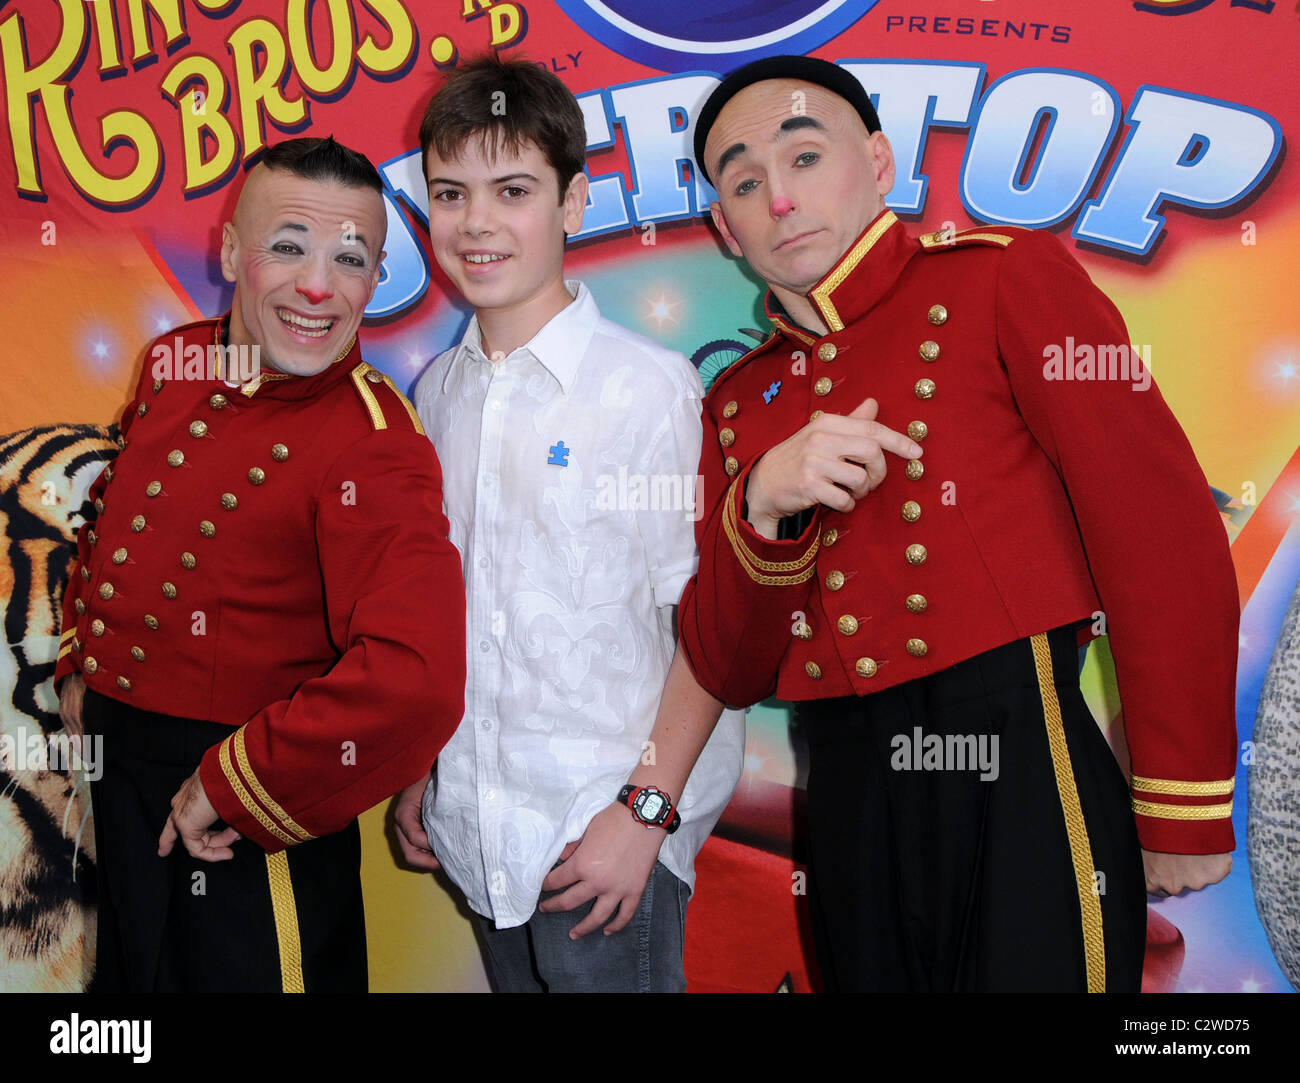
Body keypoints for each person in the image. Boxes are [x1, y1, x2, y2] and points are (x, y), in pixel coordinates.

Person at [677, 55, 1239, 992]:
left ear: (881, 161)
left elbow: (1163, 536)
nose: (778, 199)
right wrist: (762, 506)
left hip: (1021, 751)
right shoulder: (737, 405)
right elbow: (730, 665)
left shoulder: (1001, 282)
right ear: (723, 229)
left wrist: (1181, 804)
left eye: (804, 157)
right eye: (744, 180)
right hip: (848, 788)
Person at [55, 137, 466, 993]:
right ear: (232, 251)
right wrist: (81, 662)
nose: (319, 286)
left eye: (351, 259)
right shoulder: (176, 362)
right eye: (288, 246)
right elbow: (109, 518)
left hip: (244, 804)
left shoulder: (375, 440)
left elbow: (416, 679)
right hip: (123, 777)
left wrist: (238, 787)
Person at [391, 55, 744, 993]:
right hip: (478, 826)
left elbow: (706, 627)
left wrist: (645, 812)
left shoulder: (647, 387)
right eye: (450, 193)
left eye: (512, 190)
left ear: (573, 203)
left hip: (606, 832)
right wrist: (421, 769)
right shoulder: (437, 394)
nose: (476, 222)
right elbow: (445, 608)